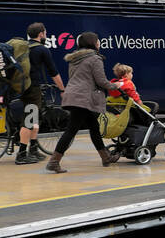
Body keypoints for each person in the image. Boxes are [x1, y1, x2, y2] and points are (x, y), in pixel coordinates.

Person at [45, 32, 120, 173]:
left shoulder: (75, 58)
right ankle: (53, 162)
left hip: (74, 96)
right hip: (83, 99)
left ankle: (105, 157)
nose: (99, 44)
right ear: (92, 43)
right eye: (97, 41)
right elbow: (101, 81)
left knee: (94, 127)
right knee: (71, 130)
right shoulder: (94, 59)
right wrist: (116, 85)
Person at [20, 22, 65, 162]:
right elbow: (54, 72)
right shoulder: (41, 49)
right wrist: (62, 89)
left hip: (24, 88)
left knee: (34, 119)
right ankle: (21, 155)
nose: (45, 35)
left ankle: (33, 149)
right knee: (29, 121)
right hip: (31, 90)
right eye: (45, 33)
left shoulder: (24, 48)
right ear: (41, 34)